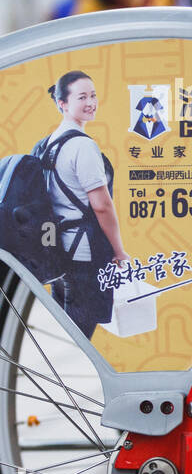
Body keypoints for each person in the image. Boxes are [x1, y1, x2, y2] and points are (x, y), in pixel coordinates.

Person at [40, 71, 129, 338]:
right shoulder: (82, 146)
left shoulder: (48, 143)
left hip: (60, 252)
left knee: (70, 336)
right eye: (82, 97)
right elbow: (101, 205)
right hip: (84, 257)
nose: (90, 102)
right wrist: (118, 250)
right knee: (80, 338)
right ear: (62, 103)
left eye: (92, 95)